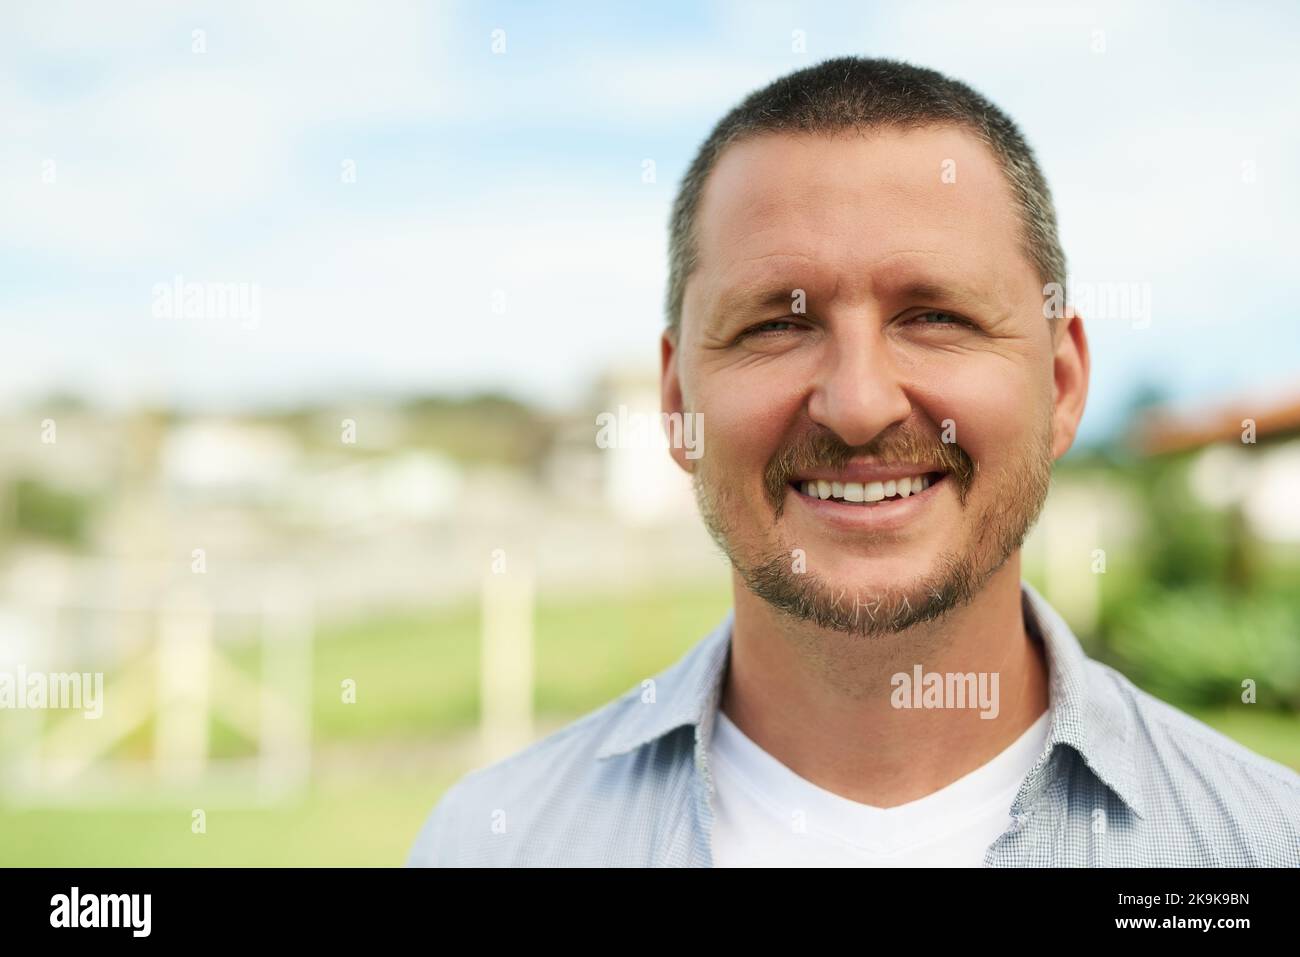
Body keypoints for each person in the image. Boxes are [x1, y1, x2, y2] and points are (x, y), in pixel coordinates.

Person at [408, 56, 1300, 867]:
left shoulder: (1262, 846)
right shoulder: (492, 842)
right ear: (678, 404)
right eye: (778, 325)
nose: (861, 402)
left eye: (936, 316)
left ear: (1061, 386)